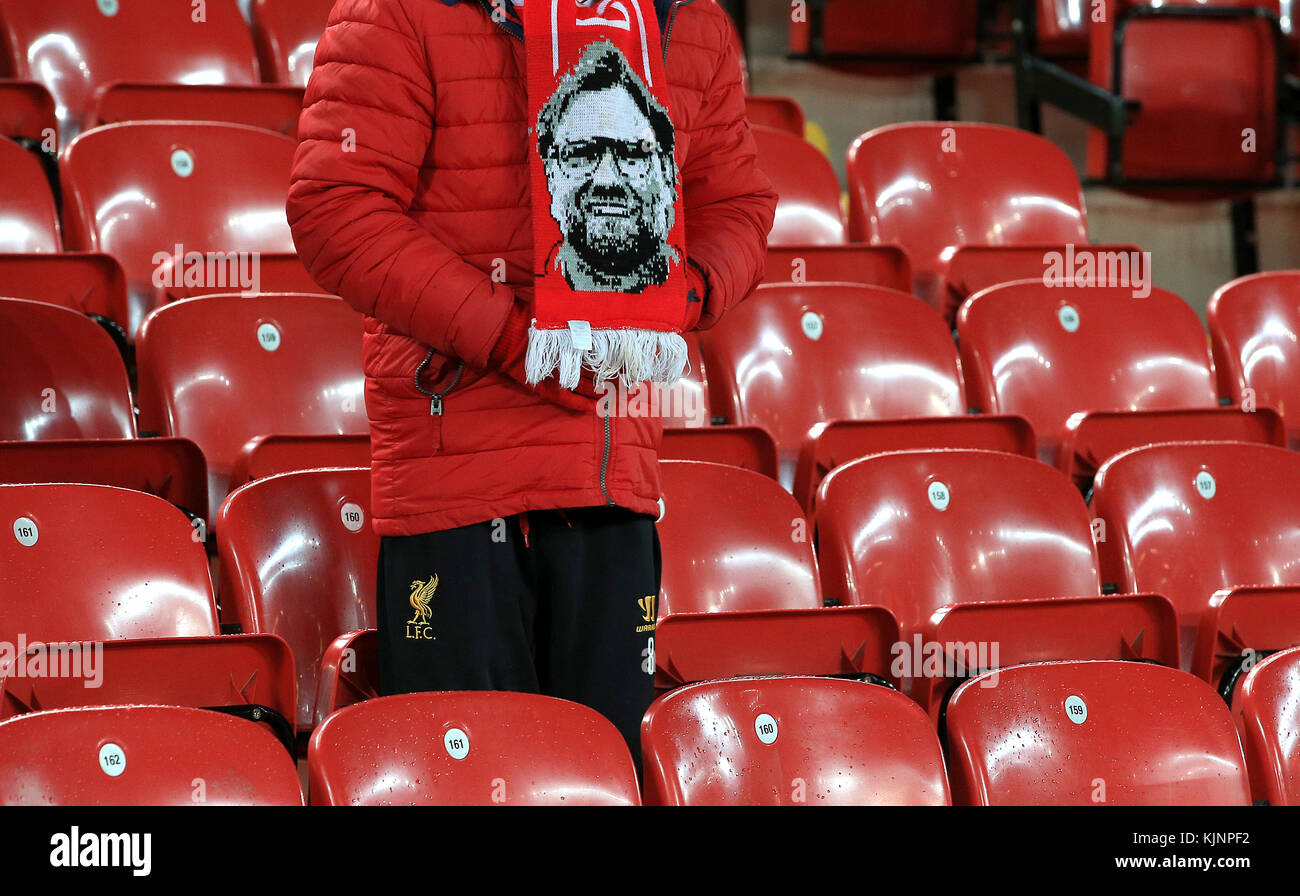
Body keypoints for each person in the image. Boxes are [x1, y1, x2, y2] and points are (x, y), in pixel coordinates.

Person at [286, 0, 776, 766]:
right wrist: (518, 340)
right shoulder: (403, 9)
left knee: (604, 774)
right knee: (464, 776)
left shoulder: (687, 17)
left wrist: (676, 300)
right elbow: (334, 209)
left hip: (612, 481)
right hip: (459, 478)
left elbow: (736, 205)